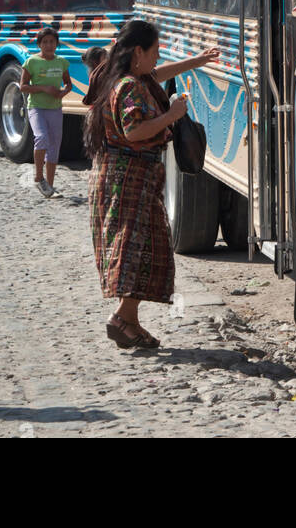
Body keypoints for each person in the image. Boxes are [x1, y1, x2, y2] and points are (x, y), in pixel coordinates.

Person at [85, 20, 218, 348]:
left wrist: (198, 61)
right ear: (138, 52)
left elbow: (160, 74)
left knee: (142, 247)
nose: (158, 59)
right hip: (130, 181)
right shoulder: (129, 86)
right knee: (137, 249)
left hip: (123, 178)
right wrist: (172, 114)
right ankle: (121, 318)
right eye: (155, 52)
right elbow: (134, 131)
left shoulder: (121, 76)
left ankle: (128, 323)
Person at [20, 27, 71, 197]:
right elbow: (23, 86)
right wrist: (44, 88)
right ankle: (38, 177)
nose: (49, 45)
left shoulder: (62, 62)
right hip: (36, 107)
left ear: (57, 44)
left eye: (52, 42)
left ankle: (49, 186)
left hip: (55, 108)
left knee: (55, 145)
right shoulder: (31, 62)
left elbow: (68, 84)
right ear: (39, 44)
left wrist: (62, 93)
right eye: (45, 42)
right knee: (41, 137)